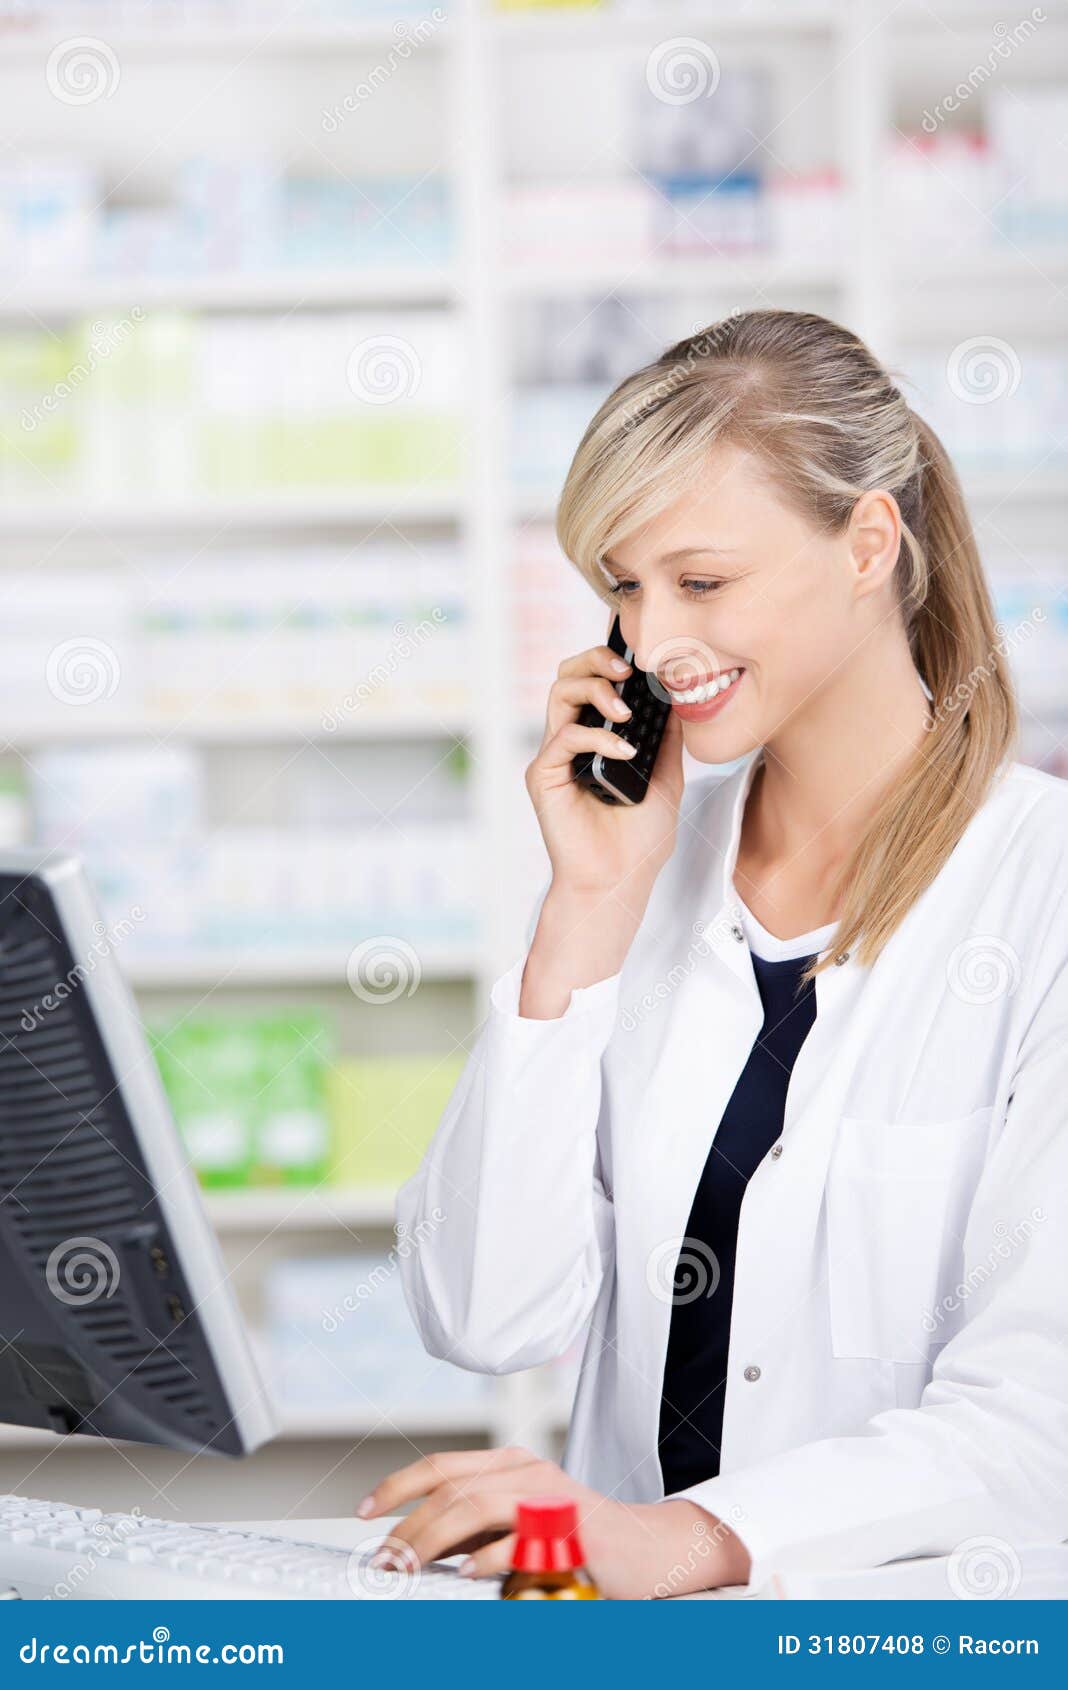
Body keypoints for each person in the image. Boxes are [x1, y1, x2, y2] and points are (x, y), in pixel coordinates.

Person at [357, 309, 1068, 1598]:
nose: (654, 641)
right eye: (624, 587)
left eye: (702, 581)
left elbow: (1039, 1424)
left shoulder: (1042, 896)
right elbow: (481, 1315)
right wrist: (585, 911)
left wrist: (681, 1540)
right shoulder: (643, 874)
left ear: (867, 541)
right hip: (612, 1639)